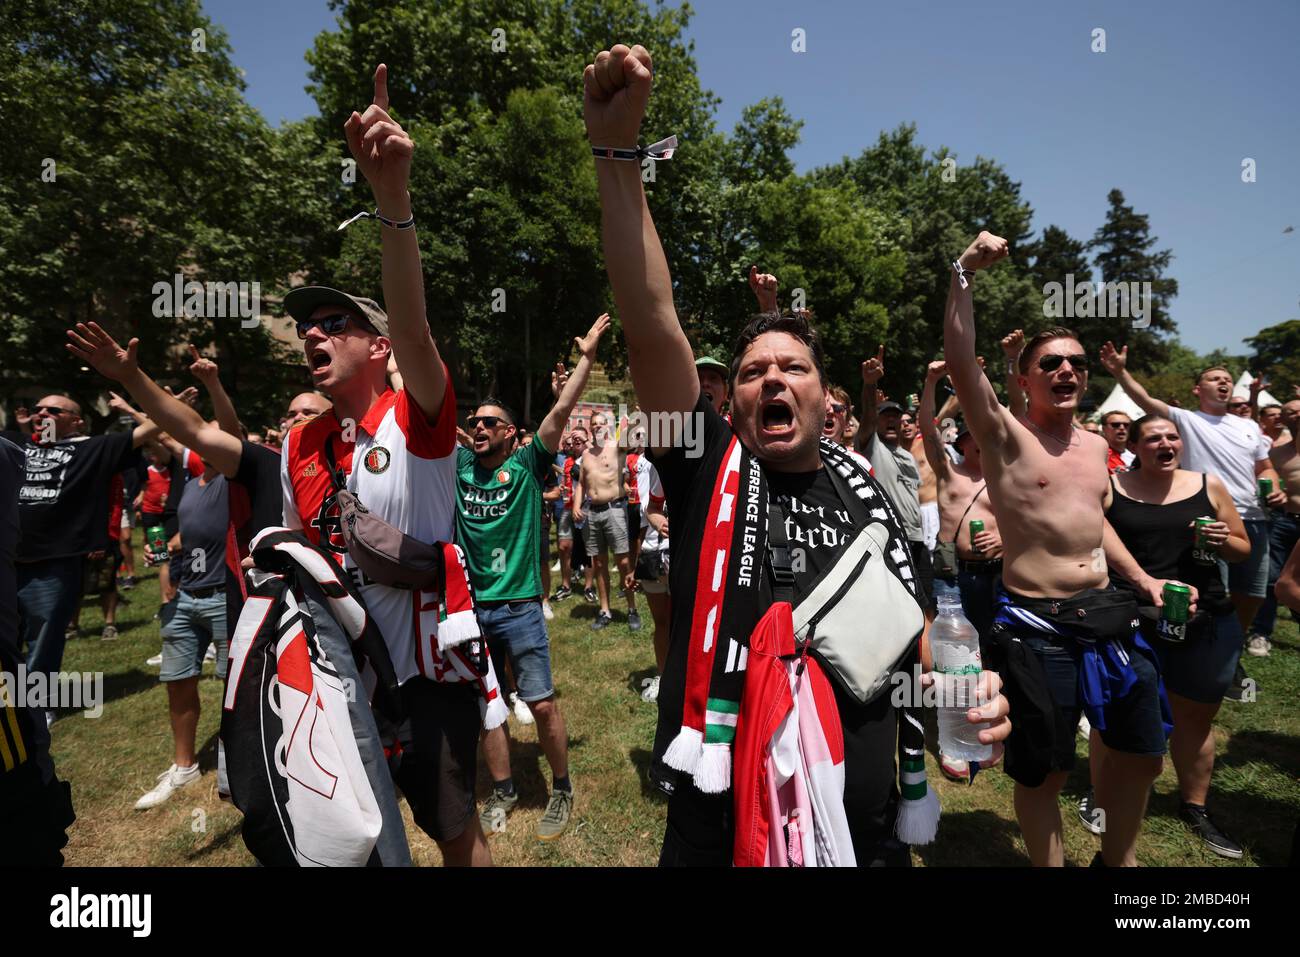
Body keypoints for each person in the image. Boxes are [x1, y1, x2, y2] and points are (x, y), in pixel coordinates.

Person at [583, 43, 1009, 866]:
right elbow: (650, 319)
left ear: (824, 394)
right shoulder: (705, 468)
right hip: (723, 826)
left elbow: (909, 638)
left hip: (864, 830)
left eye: (794, 367)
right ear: (730, 401)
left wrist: (964, 695)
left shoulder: (871, 492)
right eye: (752, 372)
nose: (773, 379)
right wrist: (617, 159)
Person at [946, 232, 1170, 867]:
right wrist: (963, 271)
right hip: (1039, 629)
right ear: (1025, 379)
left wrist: (1144, 579)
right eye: (1050, 364)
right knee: (1044, 773)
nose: (1067, 370)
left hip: (1109, 615)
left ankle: (1116, 863)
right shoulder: (1007, 438)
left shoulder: (1098, 446)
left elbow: (1096, 524)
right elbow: (962, 362)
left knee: (1141, 757)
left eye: (1076, 361)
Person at [460, 313, 608, 841]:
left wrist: (587, 357)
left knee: (541, 702)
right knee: (490, 707)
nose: (478, 427)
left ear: (511, 434)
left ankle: (561, 785)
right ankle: (502, 789)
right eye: (473, 421)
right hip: (472, 611)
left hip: (520, 605)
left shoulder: (527, 465)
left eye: (489, 423)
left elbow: (563, 407)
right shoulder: (457, 468)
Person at [1102, 413, 1250, 858]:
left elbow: (1242, 549)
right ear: (1136, 446)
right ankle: (1102, 794)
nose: (1165, 444)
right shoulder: (1115, 487)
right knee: (1117, 713)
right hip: (1135, 620)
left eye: (1172, 437)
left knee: (1195, 717)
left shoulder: (1210, 485)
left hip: (1207, 619)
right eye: (1153, 438)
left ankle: (1195, 806)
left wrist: (1224, 540)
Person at [1100, 347, 1285, 699]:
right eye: (1215, 378)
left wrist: (1273, 486)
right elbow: (1147, 400)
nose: (1224, 383)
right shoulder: (1186, 419)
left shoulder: (1247, 427)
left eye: (1228, 380)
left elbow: (1265, 469)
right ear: (1198, 389)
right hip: (1192, 521)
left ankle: (1231, 652)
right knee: (1207, 586)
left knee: (1253, 593)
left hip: (1248, 515)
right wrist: (1120, 373)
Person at [2, 393, 156, 724]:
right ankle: (8, 702)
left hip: (55, 563)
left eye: (53, 410)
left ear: (76, 421)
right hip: (7, 559)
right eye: (38, 409)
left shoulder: (91, 450)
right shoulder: (13, 443)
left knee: (43, 639)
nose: (41, 413)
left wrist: (142, 402)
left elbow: (155, 429)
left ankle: (35, 706)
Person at [918, 361, 1004, 781]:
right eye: (968, 436)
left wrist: (1004, 540)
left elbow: (1033, 524)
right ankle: (952, 737)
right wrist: (933, 381)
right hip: (952, 576)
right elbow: (928, 430)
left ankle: (982, 722)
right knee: (953, 656)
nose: (975, 443)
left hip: (995, 574)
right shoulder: (949, 473)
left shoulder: (1006, 479)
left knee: (987, 649)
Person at [855, 347, 934, 615]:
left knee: (927, 607)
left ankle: (925, 658)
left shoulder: (908, 457)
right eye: (884, 415)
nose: (890, 419)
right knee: (898, 611)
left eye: (895, 416)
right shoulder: (872, 447)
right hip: (891, 542)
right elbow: (866, 417)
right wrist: (870, 384)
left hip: (918, 541)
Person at [574, 410, 639, 631]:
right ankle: (605, 610)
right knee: (599, 564)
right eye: (594, 424)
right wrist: (576, 505)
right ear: (590, 428)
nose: (598, 427)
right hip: (592, 513)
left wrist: (638, 415)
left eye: (602, 423)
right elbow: (582, 483)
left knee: (623, 562)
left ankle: (631, 608)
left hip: (615, 509)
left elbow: (632, 435)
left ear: (608, 427)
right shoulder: (586, 455)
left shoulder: (617, 447)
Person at [1246, 399, 1300, 656]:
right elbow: (1265, 477)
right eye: (1291, 412)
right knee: (1271, 578)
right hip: (1284, 521)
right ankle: (1260, 633)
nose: (1297, 414)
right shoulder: (1277, 454)